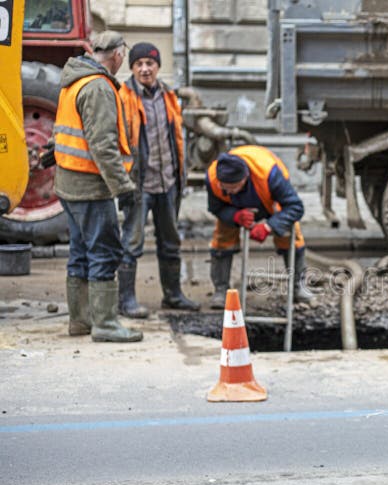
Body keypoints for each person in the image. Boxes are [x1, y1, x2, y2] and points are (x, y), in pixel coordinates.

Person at [53, 31, 142, 343]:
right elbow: (102, 146)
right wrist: (123, 187)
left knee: (80, 252)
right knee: (103, 251)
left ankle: (80, 320)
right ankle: (105, 324)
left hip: (68, 184)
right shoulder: (99, 87)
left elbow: (63, 130)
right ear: (117, 55)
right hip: (90, 186)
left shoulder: (73, 81)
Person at [118, 42, 199, 317]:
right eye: (139, 64)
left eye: (149, 63)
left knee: (171, 241)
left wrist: (180, 177)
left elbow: (175, 138)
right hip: (138, 185)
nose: (144, 69)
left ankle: (173, 295)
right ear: (131, 67)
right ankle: (126, 300)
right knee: (131, 243)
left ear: (157, 66)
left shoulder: (168, 96)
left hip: (168, 183)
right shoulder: (123, 96)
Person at [206, 146, 314, 309]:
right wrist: (235, 216)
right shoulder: (213, 178)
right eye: (225, 187)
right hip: (235, 208)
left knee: (291, 235)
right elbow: (216, 208)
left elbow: (295, 207)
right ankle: (221, 290)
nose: (229, 191)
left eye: (234, 187)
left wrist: (269, 226)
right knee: (222, 236)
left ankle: (299, 287)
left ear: (245, 178)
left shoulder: (270, 174)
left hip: (269, 200)